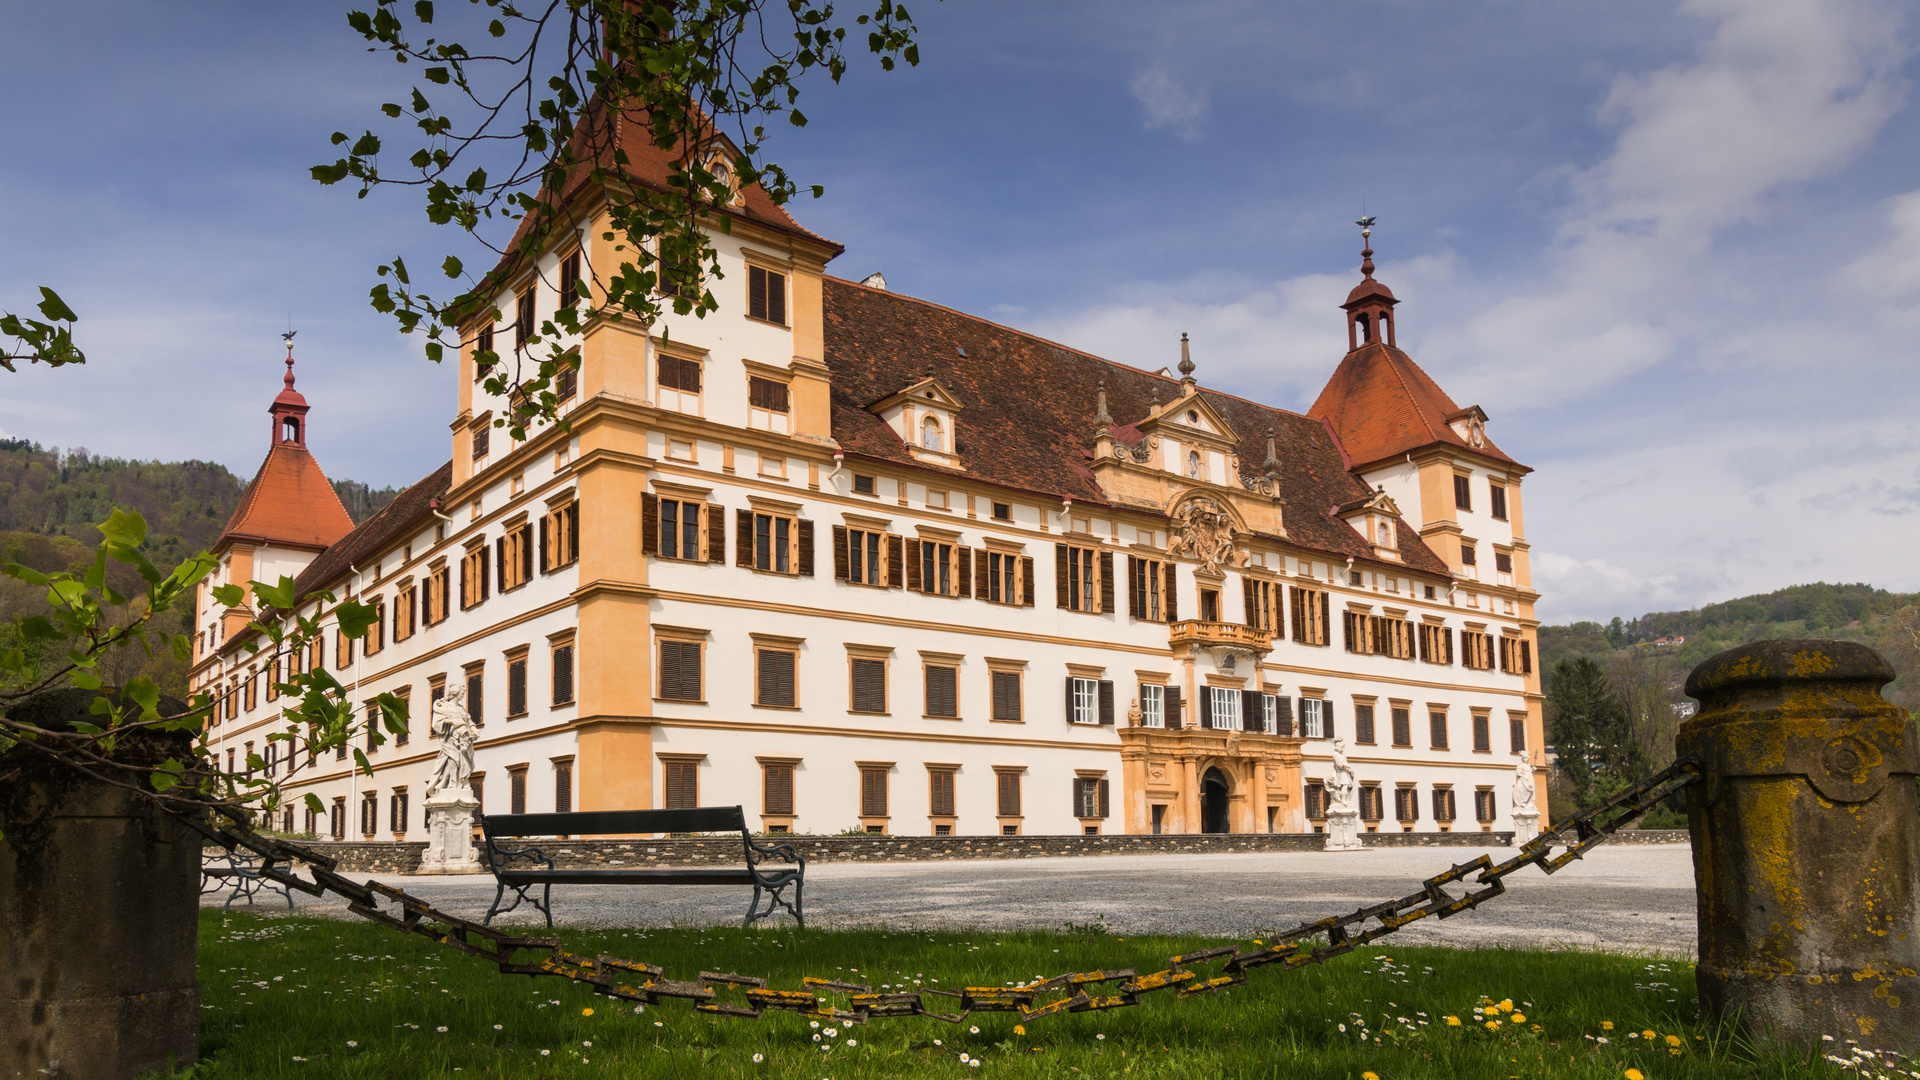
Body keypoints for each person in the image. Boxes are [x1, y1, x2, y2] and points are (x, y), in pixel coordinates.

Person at [426, 688, 477, 798]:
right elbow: (436, 724)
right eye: (462, 693)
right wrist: (451, 721)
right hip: (450, 738)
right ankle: (452, 784)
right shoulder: (444, 707)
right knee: (453, 759)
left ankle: (462, 782)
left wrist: (474, 729)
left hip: (464, 738)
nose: (463, 695)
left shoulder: (461, 709)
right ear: (455, 693)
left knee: (465, 761)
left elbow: (469, 721)